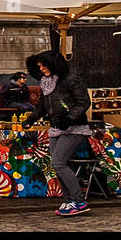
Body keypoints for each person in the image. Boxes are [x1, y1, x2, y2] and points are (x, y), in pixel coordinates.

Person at [27, 50, 92, 216]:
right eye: (39, 66)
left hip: (74, 128)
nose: (40, 68)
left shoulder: (71, 78)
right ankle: (69, 200)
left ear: (52, 63)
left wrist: (69, 118)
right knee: (58, 165)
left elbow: (83, 102)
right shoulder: (45, 81)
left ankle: (78, 201)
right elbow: (43, 104)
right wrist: (32, 118)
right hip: (56, 128)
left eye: (43, 65)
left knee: (58, 163)